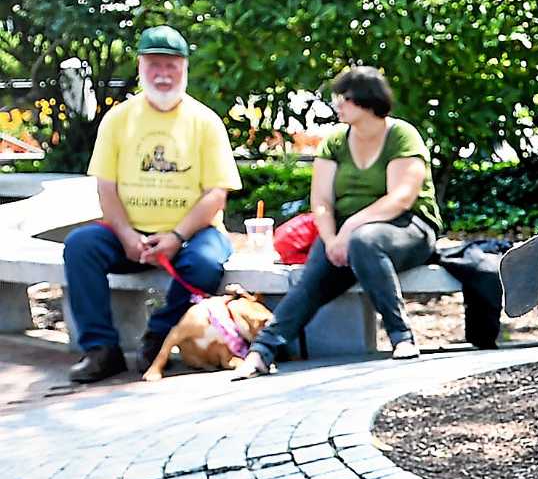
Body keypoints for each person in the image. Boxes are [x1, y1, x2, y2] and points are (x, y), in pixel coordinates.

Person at [233, 66, 442, 377]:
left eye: (345, 98)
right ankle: (262, 351)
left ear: (367, 100)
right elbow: (321, 201)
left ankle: (402, 336)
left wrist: (349, 229)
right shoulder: (335, 142)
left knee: (364, 241)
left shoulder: (401, 135)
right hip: (345, 236)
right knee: (312, 280)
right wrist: (331, 240)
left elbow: (401, 198)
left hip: (407, 227)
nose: (338, 105)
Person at [61, 26, 240, 383]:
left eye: (170, 66)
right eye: (154, 65)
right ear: (141, 66)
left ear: (184, 67)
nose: (162, 74)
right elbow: (106, 187)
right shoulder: (118, 119)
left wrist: (176, 234)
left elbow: (216, 193)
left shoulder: (205, 122)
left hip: (193, 233)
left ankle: (157, 340)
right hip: (130, 233)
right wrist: (126, 234)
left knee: (205, 263)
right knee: (80, 247)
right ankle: (100, 350)